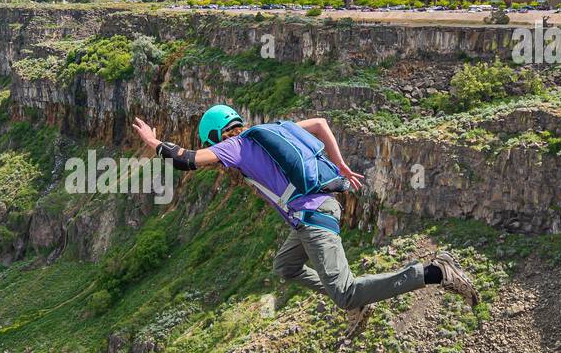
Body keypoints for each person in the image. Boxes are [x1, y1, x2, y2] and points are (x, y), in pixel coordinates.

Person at [131, 104, 478, 335]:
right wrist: (339, 164)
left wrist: (153, 141)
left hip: (313, 218)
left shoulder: (233, 146)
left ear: (218, 135)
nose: (220, 159)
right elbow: (321, 124)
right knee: (285, 267)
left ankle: (434, 273)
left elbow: (186, 159)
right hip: (316, 210)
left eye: (214, 145)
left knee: (345, 292)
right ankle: (357, 303)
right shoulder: (273, 130)